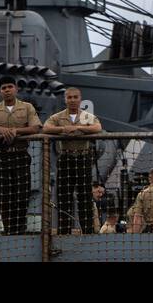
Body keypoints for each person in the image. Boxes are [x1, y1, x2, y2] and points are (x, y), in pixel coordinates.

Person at [0, 75, 42, 236]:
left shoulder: (27, 107)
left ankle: (19, 231)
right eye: (4, 88)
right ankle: (9, 232)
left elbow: (35, 127)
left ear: (16, 88)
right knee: (5, 197)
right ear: (0, 91)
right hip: (2, 157)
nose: (7, 90)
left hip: (21, 155)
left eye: (10, 87)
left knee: (22, 195)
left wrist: (16, 131)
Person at [42, 87, 103, 234]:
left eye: (75, 97)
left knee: (84, 198)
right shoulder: (59, 116)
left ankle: (88, 232)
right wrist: (64, 129)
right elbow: (46, 127)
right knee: (64, 197)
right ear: (65, 99)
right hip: (66, 159)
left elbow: (97, 127)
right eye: (69, 97)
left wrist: (80, 128)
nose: (73, 100)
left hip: (83, 158)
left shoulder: (86, 116)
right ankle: (64, 232)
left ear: (80, 98)